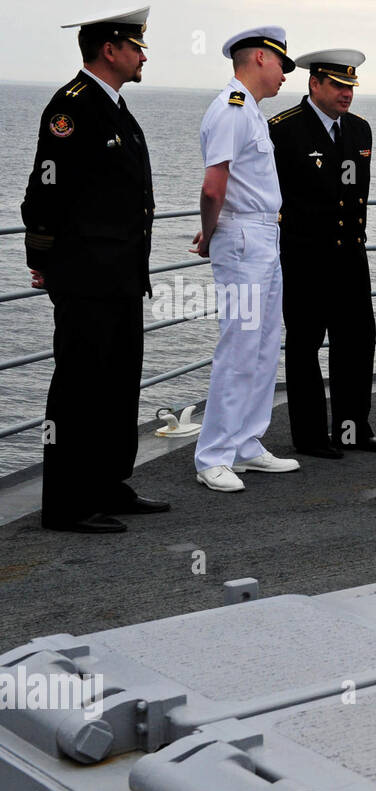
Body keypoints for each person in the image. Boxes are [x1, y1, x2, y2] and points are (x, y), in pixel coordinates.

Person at [22, 5, 170, 533]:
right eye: (136, 46)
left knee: (116, 386)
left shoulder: (113, 106)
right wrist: (42, 258)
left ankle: (108, 484)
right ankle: (65, 505)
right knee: (78, 391)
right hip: (85, 278)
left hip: (121, 277)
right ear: (110, 49)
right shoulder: (72, 108)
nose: (142, 54)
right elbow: (45, 191)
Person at [191, 26, 301, 492]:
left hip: (262, 234)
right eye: (280, 65)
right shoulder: (232, 111)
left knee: (261, 346)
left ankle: (247, 445)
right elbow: (213, 186)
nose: (283, 76)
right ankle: (212, 454)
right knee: (239, 348)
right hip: (241, 238)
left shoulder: (250, 112)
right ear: (259, 57)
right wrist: (211, 234)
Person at [268, 49, 376, 459]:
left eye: (351, 86)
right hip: (305, 258)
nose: (346, 94)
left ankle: (353, 428)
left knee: (357, 343)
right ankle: (309, 436)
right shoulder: (283, 130)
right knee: (304, 346)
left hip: (350, 257)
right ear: (314, 84)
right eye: (338, 85)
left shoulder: (360, 131)